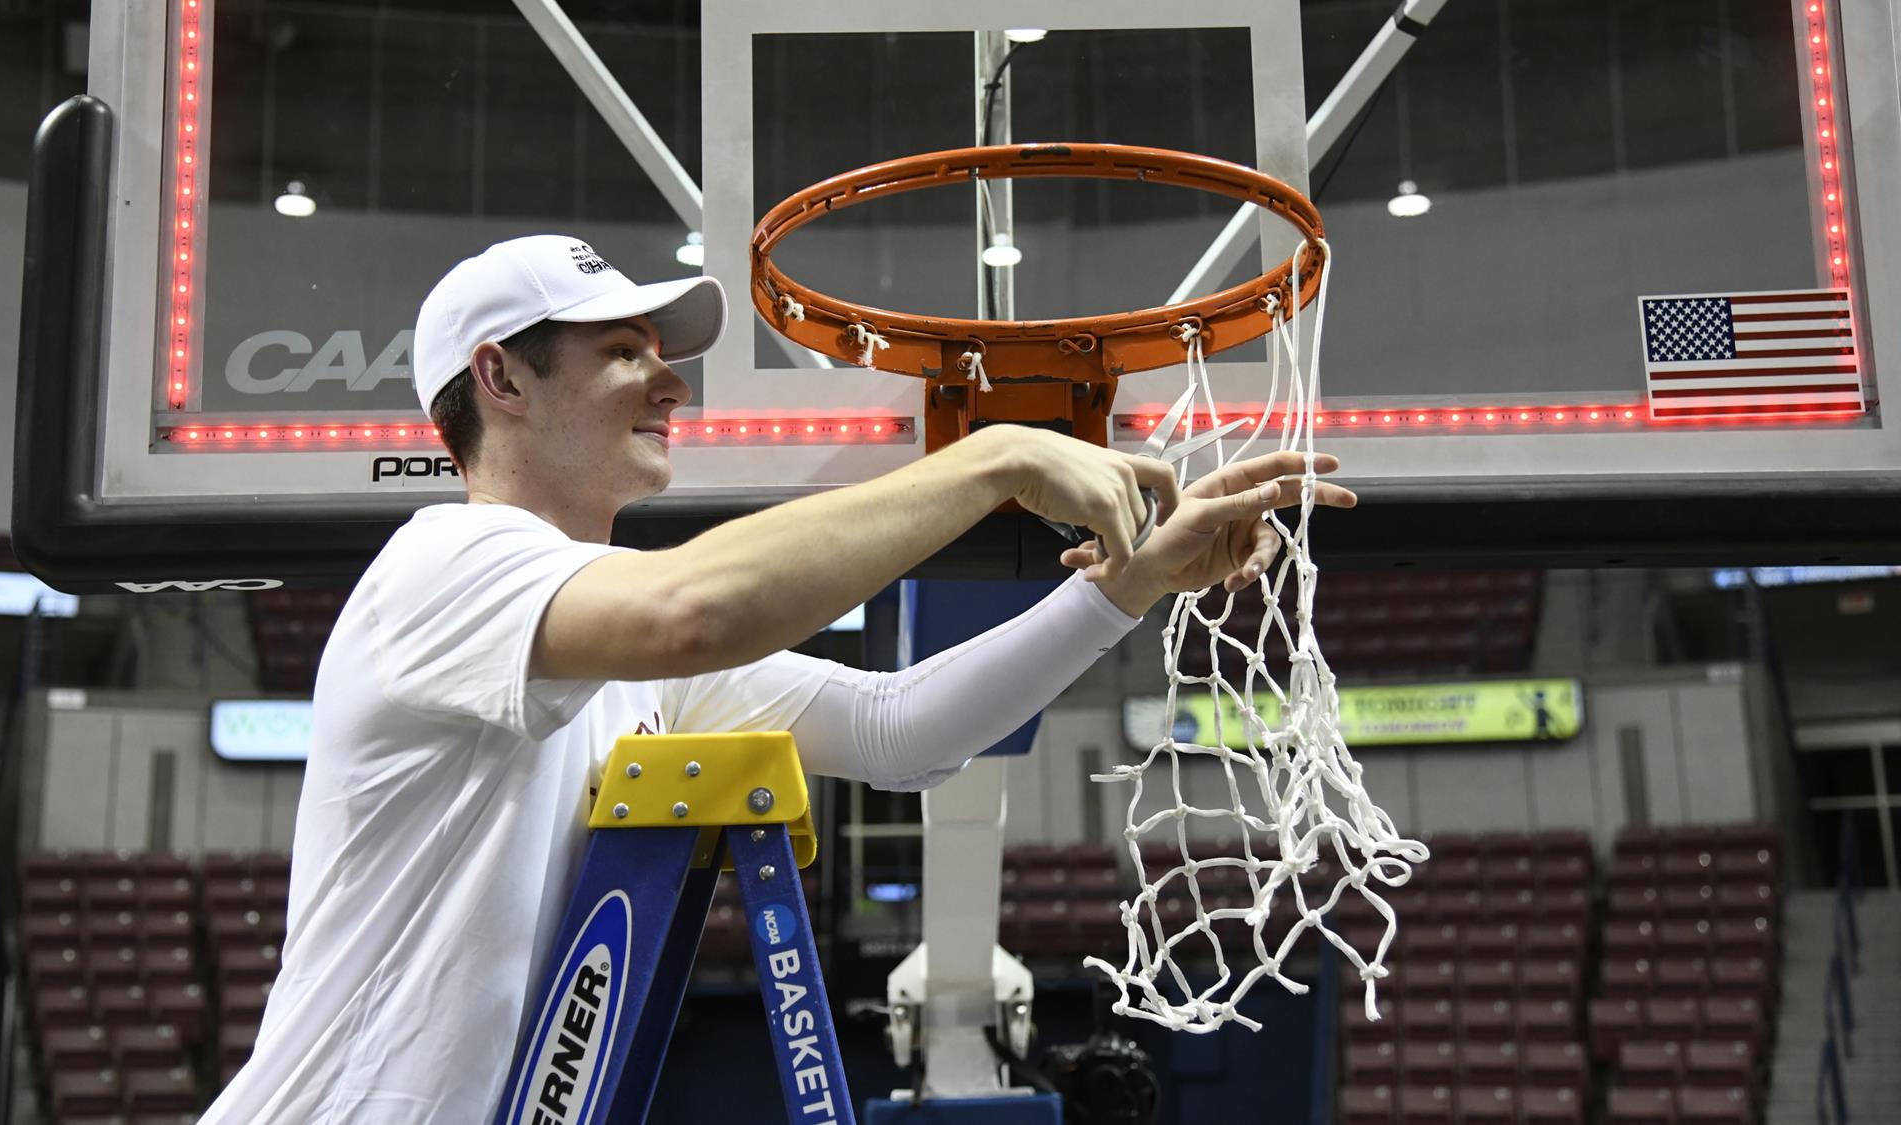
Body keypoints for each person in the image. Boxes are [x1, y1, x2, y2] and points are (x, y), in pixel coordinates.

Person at [198, 235, 1355, 1123]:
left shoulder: (609, 646)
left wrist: (1117, 591)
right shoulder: (443, 563)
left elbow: (903, 733)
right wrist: (995, 456)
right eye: (623, 353)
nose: (671, 385)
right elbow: (692, 607)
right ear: (499, 377)